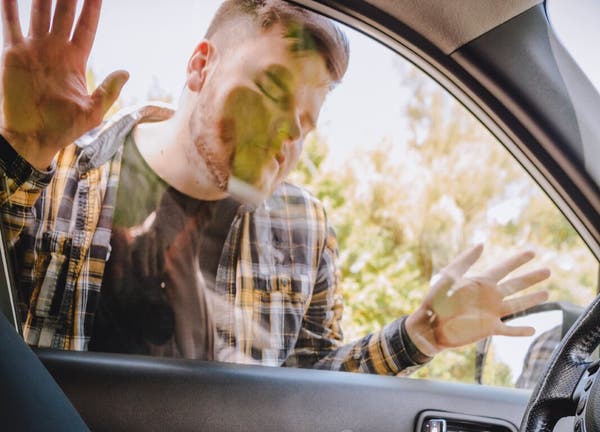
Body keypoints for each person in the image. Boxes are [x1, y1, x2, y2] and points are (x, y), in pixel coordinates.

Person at [0, 0, 551, 372]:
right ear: (200, 66)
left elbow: (311, 388)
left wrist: (418, 334)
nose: (289, 131)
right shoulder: (59, 170)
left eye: (307, 120)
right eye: (271, 89)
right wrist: (17, 150)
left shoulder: (304, 228)